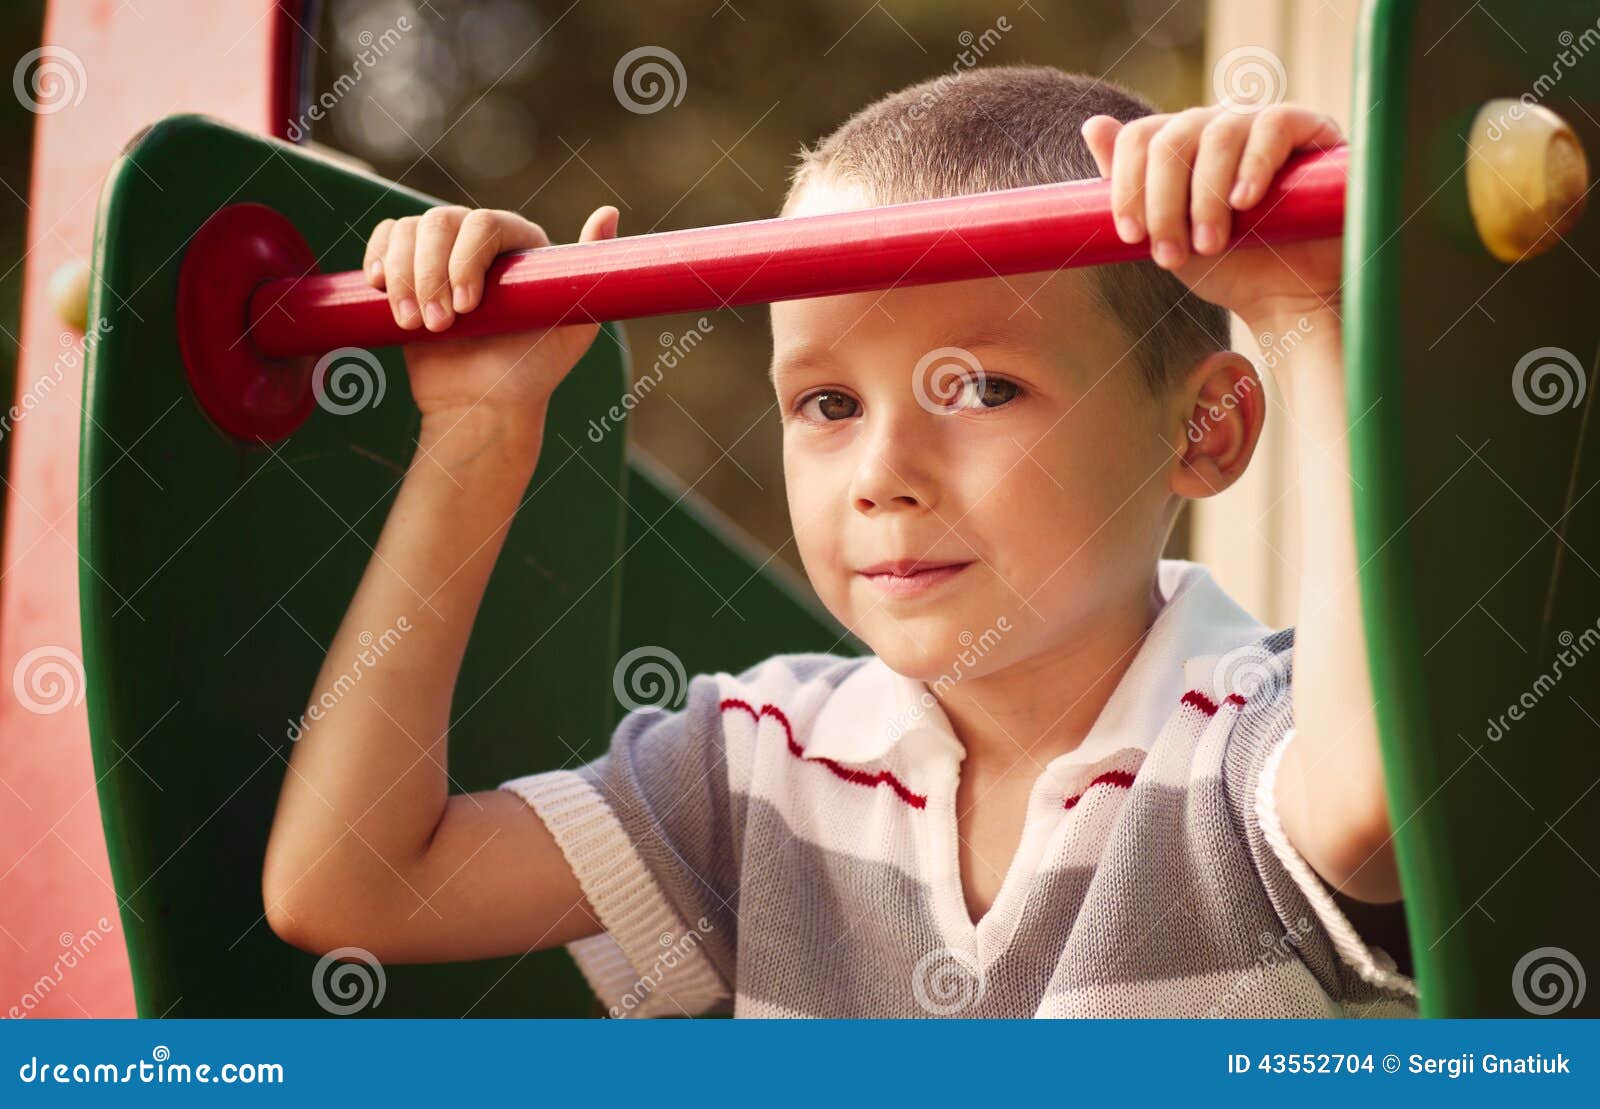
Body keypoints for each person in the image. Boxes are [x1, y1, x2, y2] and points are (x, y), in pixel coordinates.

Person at [261, 65, 1418, 1018]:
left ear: (1205, 427)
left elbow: (1370, 809)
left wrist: (1306, 319)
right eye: (826, 404)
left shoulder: (1263, 738)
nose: (881, 476)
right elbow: (352, 887)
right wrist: (478, 436)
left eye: (979, 387)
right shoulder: (758, 762)